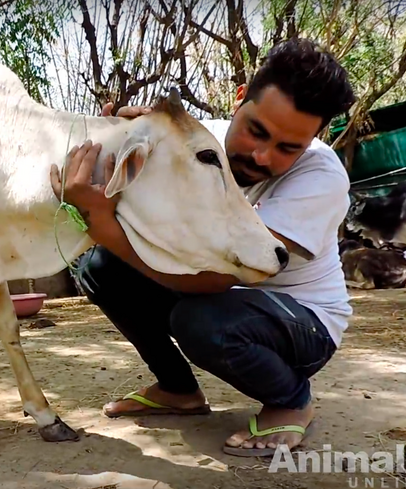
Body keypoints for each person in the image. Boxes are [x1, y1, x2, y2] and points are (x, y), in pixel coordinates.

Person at [48, 38, 356, 457]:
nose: (262, 156)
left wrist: (101, 221)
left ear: (311, 142)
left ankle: (292, 400)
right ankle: (178, 390)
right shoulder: (196, 137)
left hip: (302, 322)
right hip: (225, 300)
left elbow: (213, 280)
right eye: (256, 131)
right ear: (240, 98)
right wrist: (124, 135)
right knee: (102, 268)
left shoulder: (321, 177)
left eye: (289, 148)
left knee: (200, 318)